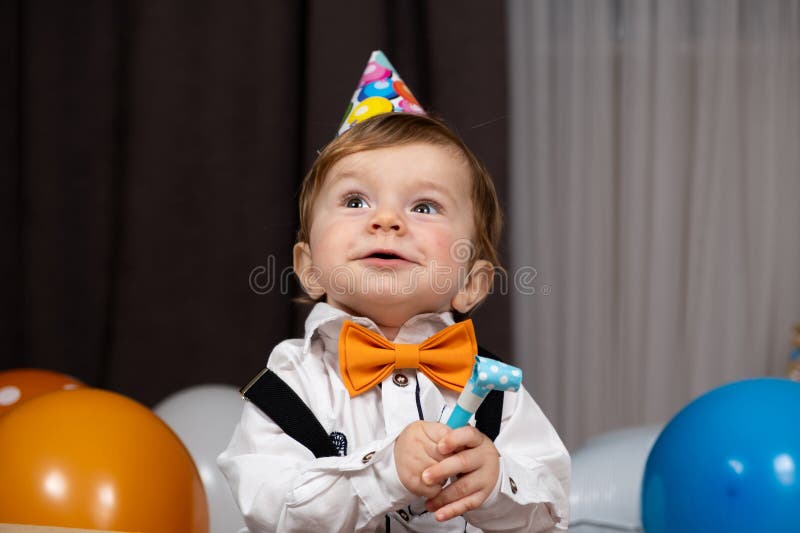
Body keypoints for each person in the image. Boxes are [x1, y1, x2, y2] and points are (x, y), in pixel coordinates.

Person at [218, 51, 569, 532]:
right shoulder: (288, 386)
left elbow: (551, 514)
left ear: (472, 282)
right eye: (355, 200)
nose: (386, 220)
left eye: (424, 206)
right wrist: (384, 476)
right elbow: (272, 511)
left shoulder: (496, 393)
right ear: (309, 268)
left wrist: (495, 485)